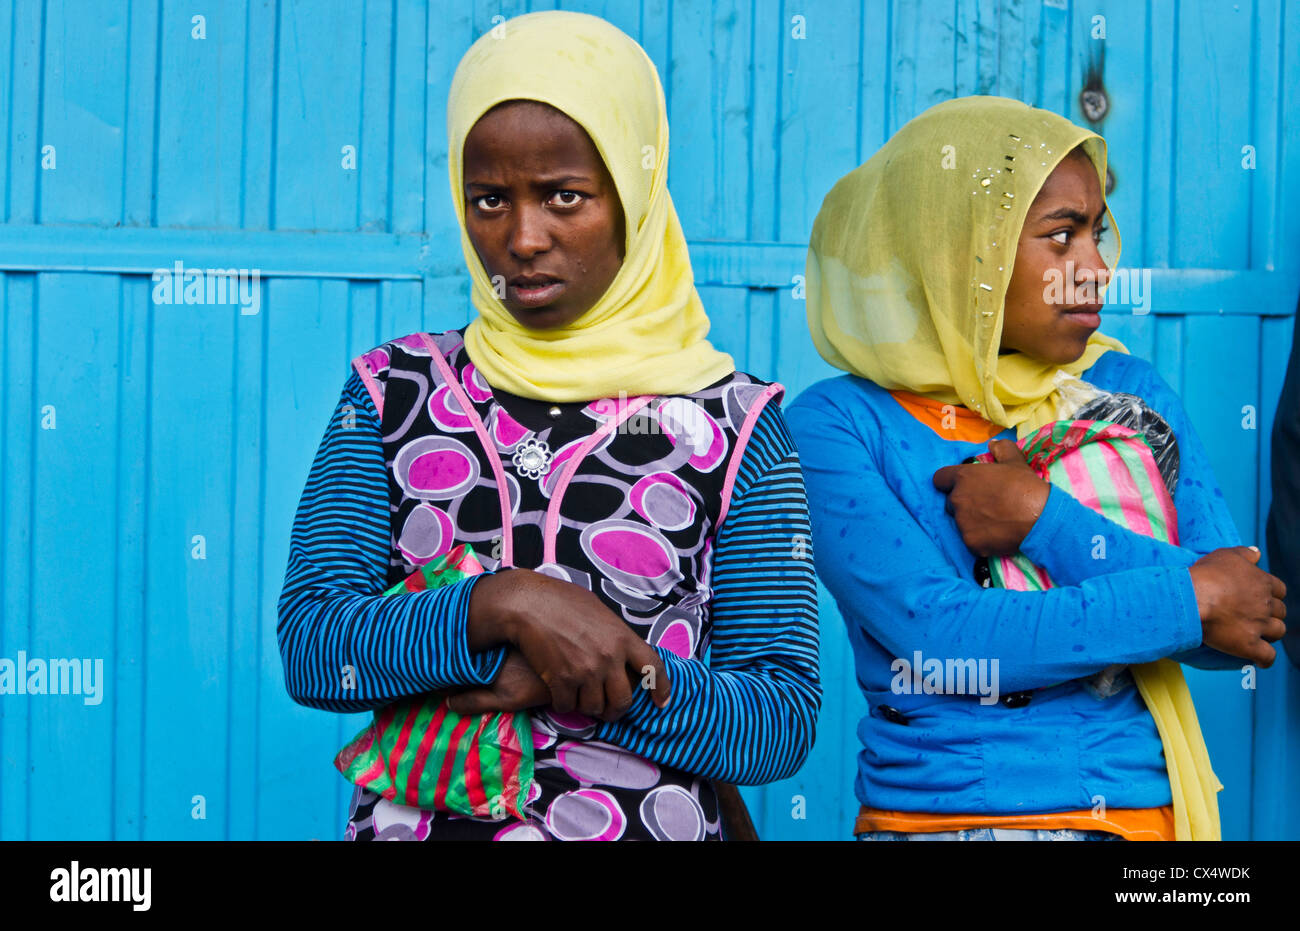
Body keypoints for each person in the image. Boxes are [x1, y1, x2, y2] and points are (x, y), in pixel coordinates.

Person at [276, 10, 820, 842]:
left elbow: (778, 716)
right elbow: (316, 644)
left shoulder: (734, 427)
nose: (523, 239)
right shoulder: (390, 394)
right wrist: (499, 606)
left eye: (565, 196)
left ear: (631, 198)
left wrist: (587, 677)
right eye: (489, 200)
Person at [788, 96, 1286, 841]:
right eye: (1060, 238)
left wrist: (1043, 520)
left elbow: (1240, 619)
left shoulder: (1130, 395)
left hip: (1141, 822)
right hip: (943, 821)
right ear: (963, 255)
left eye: (1097, 232)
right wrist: (1191, 593)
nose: (1095, 270)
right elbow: (945, 641)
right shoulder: (838, 425)